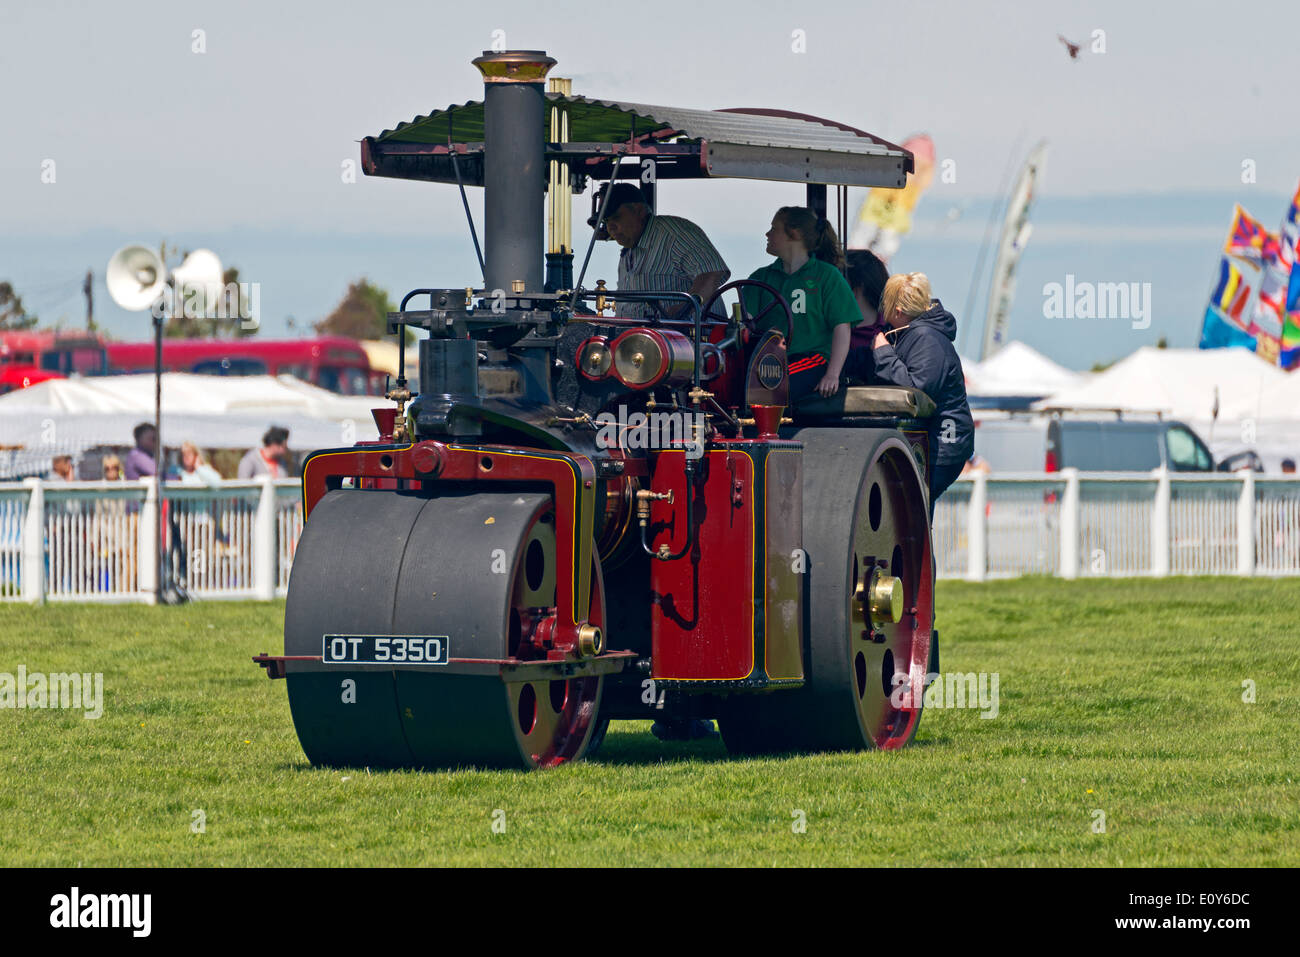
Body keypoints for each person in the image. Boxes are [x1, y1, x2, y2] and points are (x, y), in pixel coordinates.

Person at [868, 272, 974, 516]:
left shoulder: (926, 338)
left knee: (913, 515)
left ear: (897, 311)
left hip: (941, 446)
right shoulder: (917, 334)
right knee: (915, 517)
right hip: (941, 442)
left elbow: (918, 391)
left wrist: (883, 353)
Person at [742, 207, 861, 399]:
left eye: (774, 228)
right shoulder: (760, 278)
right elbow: (744, 321)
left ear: (794, 234)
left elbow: (842, 326)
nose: (767, 234)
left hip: (812, 358)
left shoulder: (827, 276)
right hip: (769, 361)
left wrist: (832, 375)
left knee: (773, 383)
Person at [596, 183, 730, 320]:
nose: (610, 227)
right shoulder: (629, 249)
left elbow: (712, 273)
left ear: (639, 211)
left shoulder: (675, 235)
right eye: (607, 221)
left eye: (617, 217)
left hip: (697, 338)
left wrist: (682, 309)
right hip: (639, 339)